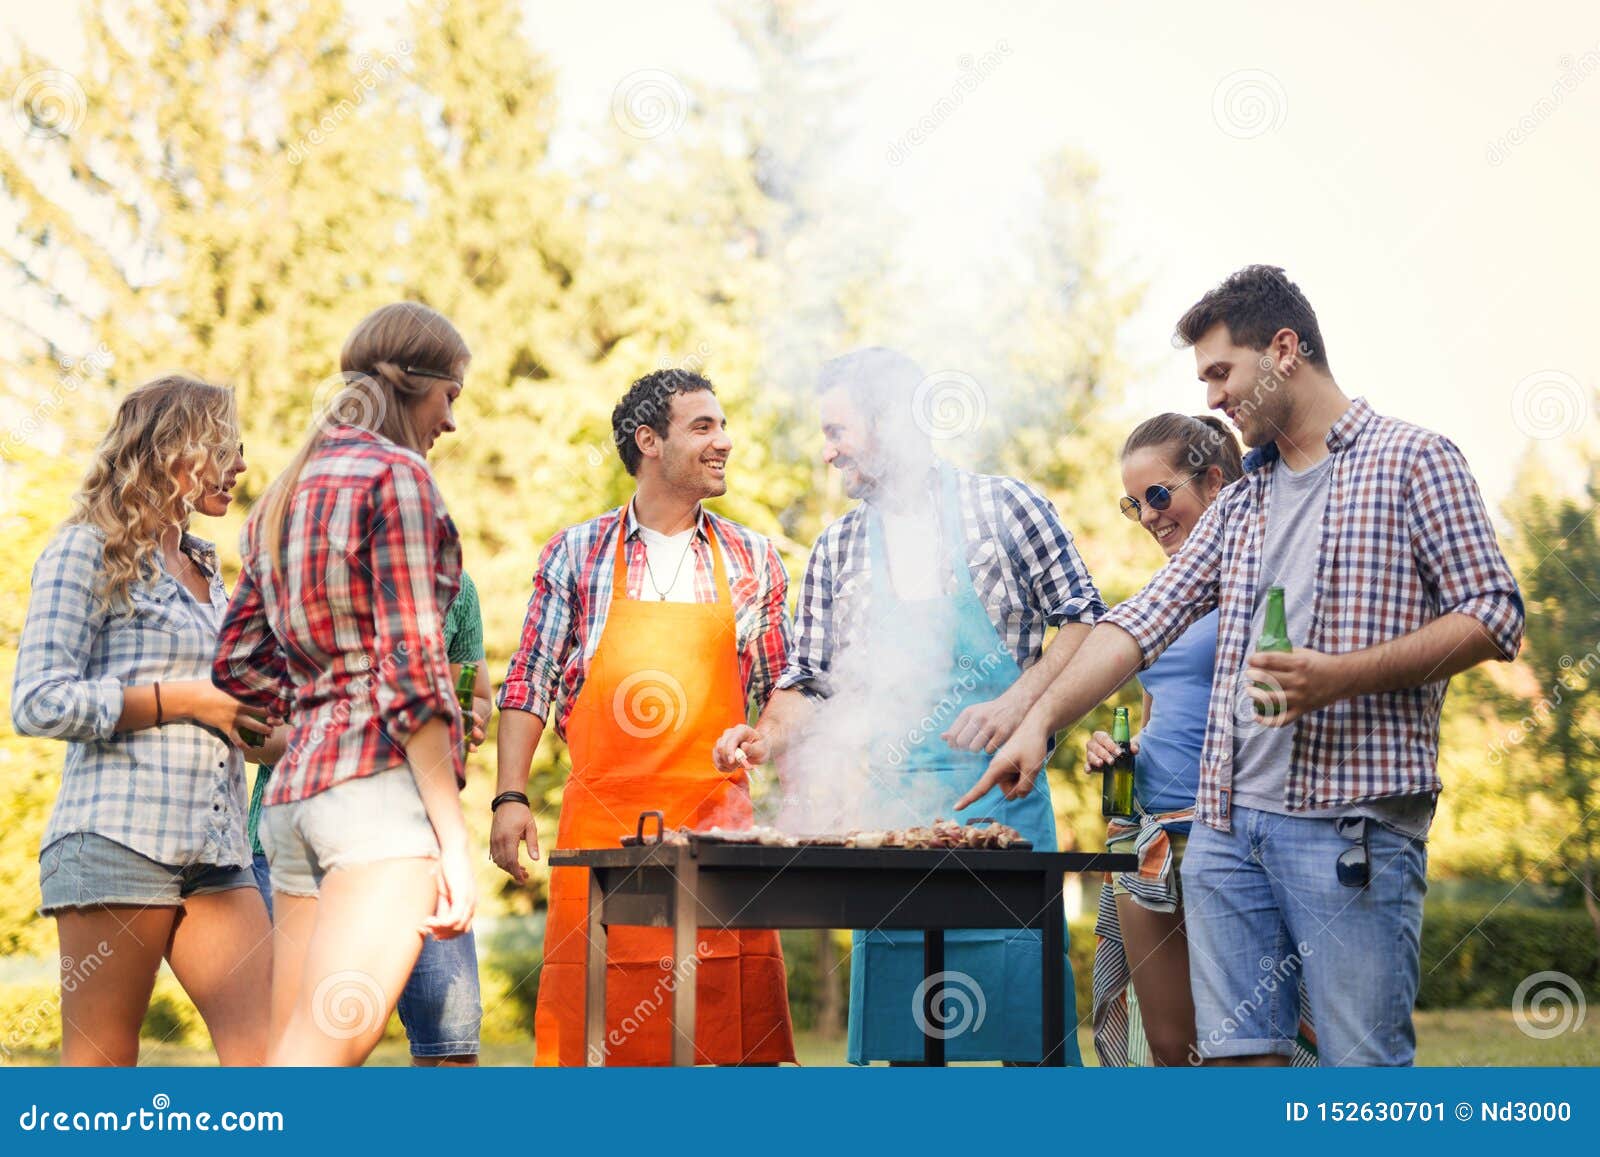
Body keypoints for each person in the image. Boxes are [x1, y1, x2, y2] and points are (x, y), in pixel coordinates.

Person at [972, 266, 1524, 1066]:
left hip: (1350, 824)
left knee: (1359, 1067)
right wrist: (1038, 722)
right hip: (1227, 829)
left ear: (1285, 350)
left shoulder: (1414, 460)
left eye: (1221, 373)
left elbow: (1494, 614)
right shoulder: (1242, 502)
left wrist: (1339, 676)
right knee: (1233, 1068)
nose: (1213, 398)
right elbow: (1140, 621)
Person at [714, 347, 1106, 1065]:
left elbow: (1088, 620)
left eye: (838, 431)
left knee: (1031, 1047)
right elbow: (810, 679)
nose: (828, 453)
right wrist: (765, 736)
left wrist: (1019, 703)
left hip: (1003, 816)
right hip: (889, 835)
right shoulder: (838, 545)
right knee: (901, 1055)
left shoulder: (1005, 506)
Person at [493, 368, 796, 1067]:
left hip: (719, 840)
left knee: (728, 1045)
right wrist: (510, 795)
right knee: (598, 1044)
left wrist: (766, 733)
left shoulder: (752, 557)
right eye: (704, 426)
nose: (724, 441)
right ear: (649, 441)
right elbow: (529, 677)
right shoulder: (577, 551)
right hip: (602, 834)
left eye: (723, 424)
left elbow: (787, 687)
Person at [213, 301, 476, 1066]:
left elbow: (237, 664)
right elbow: (414, 673)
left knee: (292, 1059)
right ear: (412, 384)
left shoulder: (282, 492)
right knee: (314, 1066)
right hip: (376, 802)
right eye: (450, 397)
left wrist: (321, 707)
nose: (450, 422)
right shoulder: (399, 477)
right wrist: (453, 841)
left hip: (295, 803)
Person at [12, 376, 274, 1066]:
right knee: (101, 1070)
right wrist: (186, 699)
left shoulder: (206, 568)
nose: (242, 466)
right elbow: (37, 699)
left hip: (217, 851)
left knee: (273, 1059)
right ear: (175, 450)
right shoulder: (85, 549)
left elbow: (226, 709)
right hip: (115, 839)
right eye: (228, 447)